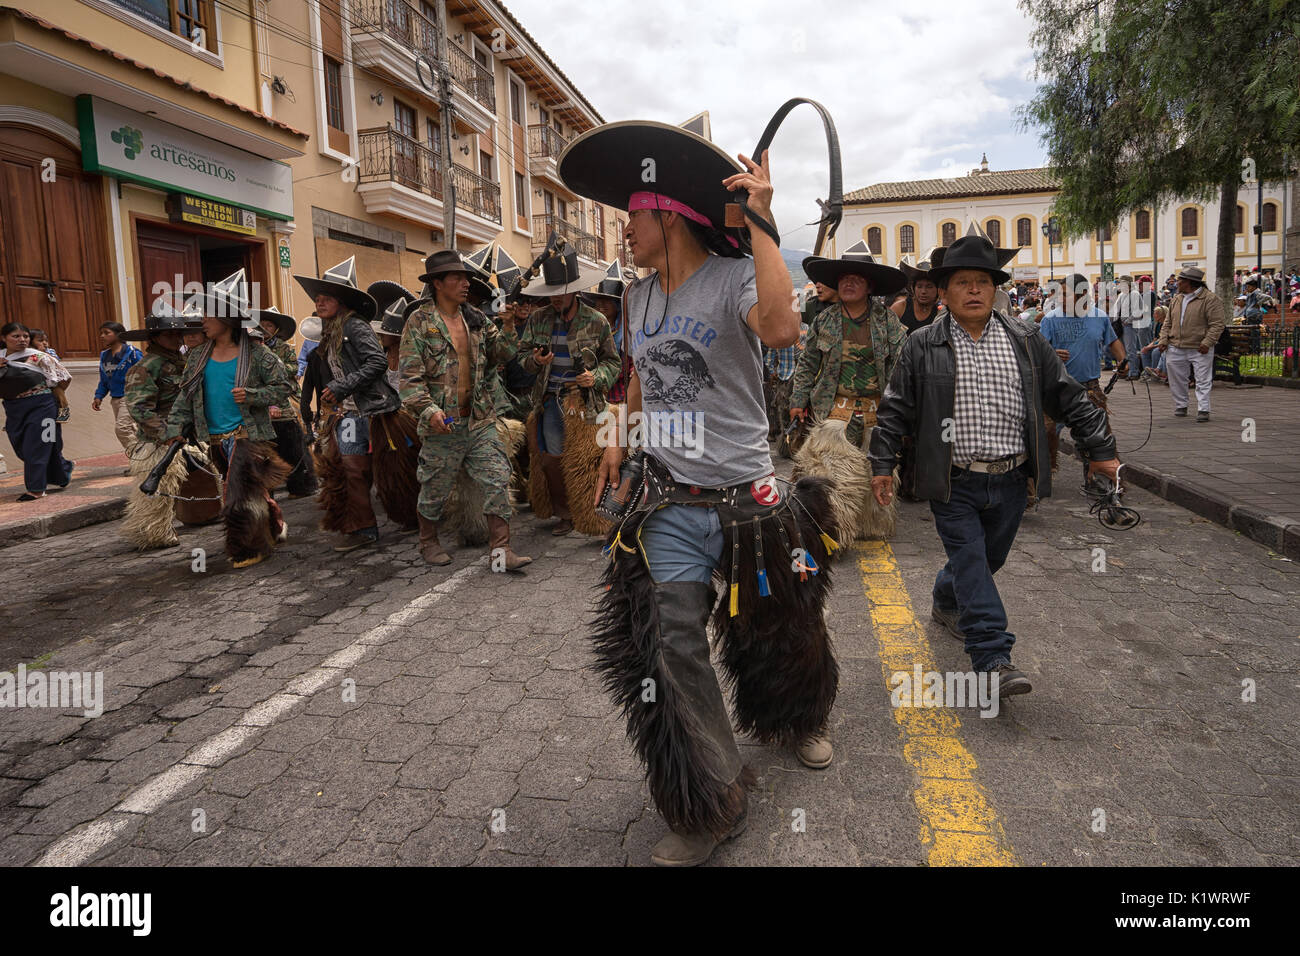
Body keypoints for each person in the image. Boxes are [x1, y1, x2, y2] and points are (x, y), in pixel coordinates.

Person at [562, 119, 839, 866]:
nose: (624, 231)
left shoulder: (736, 277)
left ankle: (797, 717)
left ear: (668, 217)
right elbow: (640, 379)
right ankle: (711, 797)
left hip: (749, 499)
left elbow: (783, 329)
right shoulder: (635, 300)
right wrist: (618, 431)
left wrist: (762, 223)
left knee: (780, 626)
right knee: (673, 646)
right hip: (671, 503)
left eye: (632, 218)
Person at [868, 234, 1120, 697]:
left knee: (986, 560)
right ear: (944, 292)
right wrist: (882, 465)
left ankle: (946, 599)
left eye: (982, 281)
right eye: (962, 282)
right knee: (971, 559)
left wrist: (1099, 450)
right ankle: (992, 657)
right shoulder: (922, 345)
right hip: (953, 480)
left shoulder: (1026, 341)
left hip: (1011, 481)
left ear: (995, 288)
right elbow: (895, 409)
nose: (974, 290)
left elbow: (1069, 398)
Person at [398, 250, 530, 570]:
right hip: (442, 423)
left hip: (480, 419)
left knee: (497, 477)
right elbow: (409, 380)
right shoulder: (419, 322)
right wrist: (430, 412)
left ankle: (501, 551)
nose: (465, 283)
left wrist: (509, 325)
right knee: (434, 487)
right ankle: (428, 542)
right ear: (438, 284)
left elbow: (503, 354)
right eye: (456, 278)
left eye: (465, 277)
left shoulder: (477, 320)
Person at [163, 271, 292, 568]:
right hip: (215, 439)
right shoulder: (197, 357)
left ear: (227, 317)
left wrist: (253, 395)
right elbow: (186, 396)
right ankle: (272, 523)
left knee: (237, 499)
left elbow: (284, 387)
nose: (203, 319)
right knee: (250, 492)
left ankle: (249, 547)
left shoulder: (258, 355)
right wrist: (174, 428)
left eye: (209, 313)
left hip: (248, 435)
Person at [790, 243, 909, 540]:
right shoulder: (824, 320)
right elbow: (807, 363)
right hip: (834, 412)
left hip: (876, 413)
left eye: (857, 278)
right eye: (844, 278)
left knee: (876, 473)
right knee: (832, 477)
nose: (849, 283)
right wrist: (798, 399)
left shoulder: (887, 321)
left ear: (869, 286)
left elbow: (901, 365)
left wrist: (902, 411)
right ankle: (834, 534)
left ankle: (869, 527)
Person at [294, 256, 400, 550]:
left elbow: (377, 360)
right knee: (352, 468)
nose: (320, 302)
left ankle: (412, 517)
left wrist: (342, 385)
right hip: (350, 416)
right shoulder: (329, 331)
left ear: (341, 301)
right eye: (318, 298)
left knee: (389, 470)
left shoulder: (355, 326)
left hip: (376, 411)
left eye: (327, 297)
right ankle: (363, 528)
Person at [515, 250, 619, 537]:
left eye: (562, 292)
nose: (556, 298)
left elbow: (613, 361)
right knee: (552, 460)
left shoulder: (597, 321)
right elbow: (521, 356)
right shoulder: (538, 320)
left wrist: (595, 377)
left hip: (586, 401)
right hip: (551, 399)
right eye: (552, 292)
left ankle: (596, 513)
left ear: (575, 291)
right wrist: (536, 362)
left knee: (588, 461)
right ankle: (565, 513)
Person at [120, 298, 210, 549]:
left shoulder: (184, 361)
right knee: (160, 489)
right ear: (155, 337)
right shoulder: (146, 367)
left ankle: (203, 515)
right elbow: (139, 408)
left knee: (204, 480)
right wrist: (166, 433)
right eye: (168, 333)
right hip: (160, 442)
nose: (176, 338)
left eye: (177, 333)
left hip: (192, 435)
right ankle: (153, 533)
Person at [1038, 274, 1127, 473]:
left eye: (1065, 295)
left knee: (1100, 436)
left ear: (1083, 294)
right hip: (1055, 387)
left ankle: (1102, 477)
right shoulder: (1050, 320)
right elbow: (1037, 351)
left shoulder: (1099, 317)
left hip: (1089, 387)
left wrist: (1122, 360)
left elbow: (1112, 341)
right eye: (1059, 295)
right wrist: (1051, 353)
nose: (1060, 299)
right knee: (1046, 431)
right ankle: (1046, 471)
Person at [0, 322, 74, 500]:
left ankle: (36, 489)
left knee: (38, 445)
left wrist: (53, 395)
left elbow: (64, 378)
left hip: (42, 406)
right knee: (24, 448)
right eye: (16, 336)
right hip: (14, 408)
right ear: (4, 338)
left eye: (25, 336)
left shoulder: (38, 357)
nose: (22, 340)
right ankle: (63, 470)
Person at [253, 306, 318, 499]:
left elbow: (293, 367)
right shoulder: (252, 346)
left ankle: (303, 483)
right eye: (261, 324)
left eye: (269, 325)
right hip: (259, 393)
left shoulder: (284, 348)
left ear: (276, 329)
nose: (264, 328)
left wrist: (276, 367)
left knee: (294, 438)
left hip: (284, 392)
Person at [1159, 266, 1225, 422]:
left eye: (1179, 280)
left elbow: (1217, 324)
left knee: (1203, 379)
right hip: (1176, 345)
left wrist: (1208, 342)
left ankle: (1203, 409)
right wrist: (1163, 339)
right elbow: (1168, 322)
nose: (1176, 283)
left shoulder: (1210, 299)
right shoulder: (1177, 299)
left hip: (1199, 347)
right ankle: (1181, 404)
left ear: (1188, 282)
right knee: (1176, 379)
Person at [92, 322, 143, 454]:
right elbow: (104, 379)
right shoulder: (104, 356)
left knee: (122, 428)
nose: (102, 336)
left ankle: (141, 457)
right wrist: (99, 396)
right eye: (101, 333)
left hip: (131, 397)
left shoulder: (133, 354)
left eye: (106, 333)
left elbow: (145, 374)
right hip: (115, 399)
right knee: (132, 431)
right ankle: (140, 461)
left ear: (119, 334)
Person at [1116, 275, 1156, 381]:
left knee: (1131, 349)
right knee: (1122, 350)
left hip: (1130, 325)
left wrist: (1127, 321)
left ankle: (1134, 372)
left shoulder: (1134, 294)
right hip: (1121, 325)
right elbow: (1116, 309)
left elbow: (1139, 312)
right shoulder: (1121, 295)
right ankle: (1125, 370)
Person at [892, 250, 942, 332]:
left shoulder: (940, 314)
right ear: (913, 288)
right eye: (919, 286)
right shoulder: (900, 308)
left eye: (929, 287)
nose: (923, 291)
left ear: (937, 290)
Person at [27, 329, 70, 423]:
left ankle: (64, 409)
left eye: (46, 340)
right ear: (30, 343)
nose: (45, 343)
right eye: (40, 340)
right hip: (36, 384)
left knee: (57, 391)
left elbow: (54, 361)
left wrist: (44, 354)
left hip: (53, 381)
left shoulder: (49, 352)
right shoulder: (27, 353)